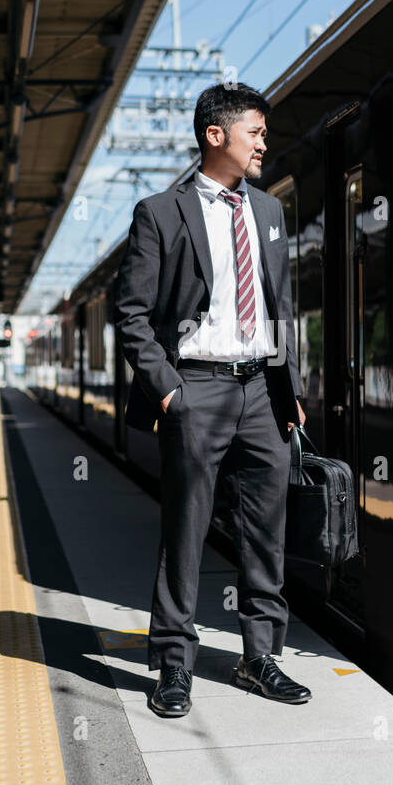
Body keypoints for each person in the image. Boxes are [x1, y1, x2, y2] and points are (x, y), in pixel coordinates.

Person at [114, 84, 311, 718]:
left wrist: (290, 388)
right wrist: (170, 391)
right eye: (255, 131)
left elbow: (281, 309)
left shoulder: (270, 212)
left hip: (262, 390)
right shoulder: (160, 213)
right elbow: (132, 316)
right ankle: (175, 665)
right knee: (186, 531)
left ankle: (261, 659)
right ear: (215, 136)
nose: (264, 143)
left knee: (265, 534)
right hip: (196, 386)